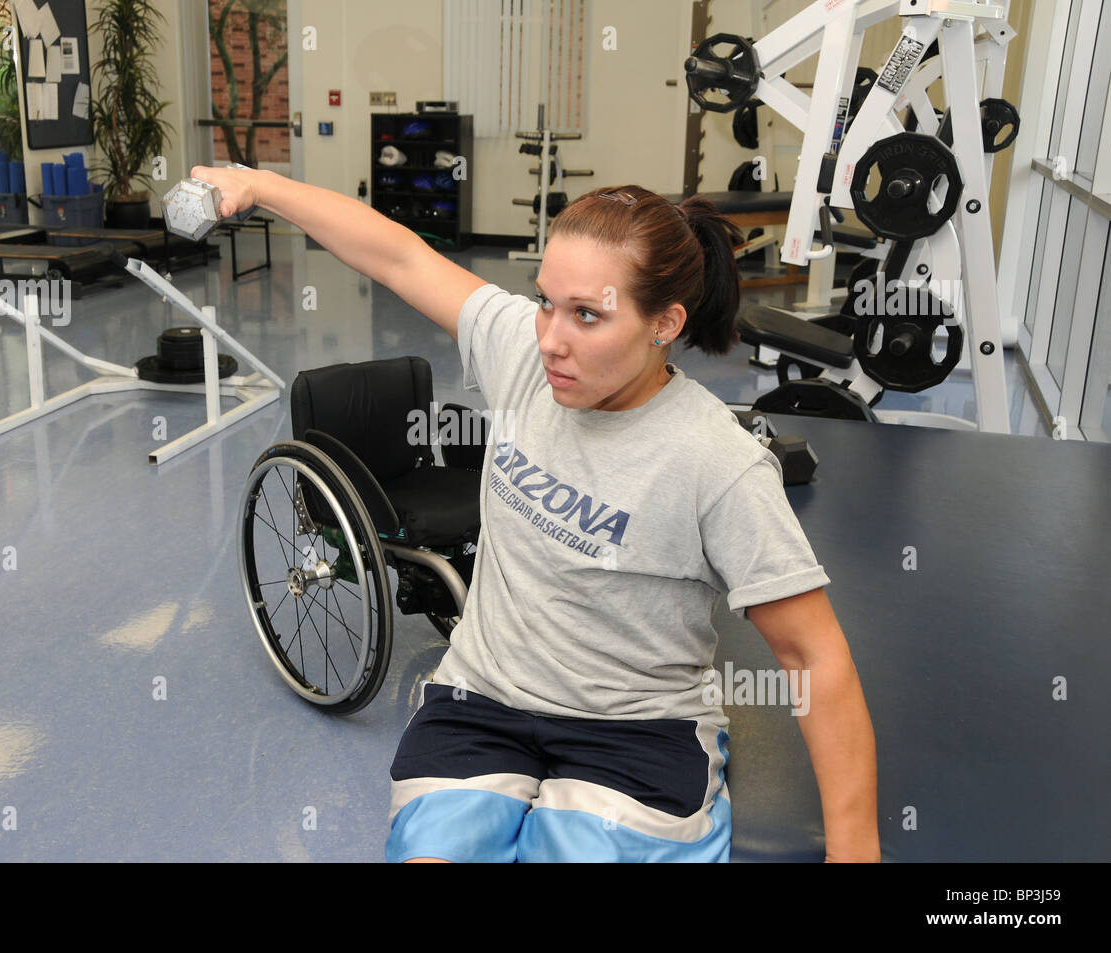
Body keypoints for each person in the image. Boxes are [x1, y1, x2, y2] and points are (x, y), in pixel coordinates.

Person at [192, 165, 879, 863]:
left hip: (633, 730)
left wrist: (854, 851)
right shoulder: (525, 353)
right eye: (545, 302)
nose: (551, 337)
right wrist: (257, 185)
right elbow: (399, 255)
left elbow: (811, 653)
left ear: (664, 323)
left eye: (588, 314)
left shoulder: (717, 463)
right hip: (482, 698)